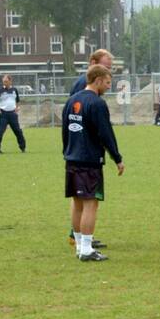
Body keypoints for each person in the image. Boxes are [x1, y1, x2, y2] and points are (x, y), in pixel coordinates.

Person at [63, 63, 125, 261]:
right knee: (91, 204)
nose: (109, 87)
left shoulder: (71, 101)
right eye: (107, 83)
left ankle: (80, 246)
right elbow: (105, 134)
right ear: (97, 80)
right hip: (90, 161)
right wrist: (117, 158)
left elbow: (65, 131)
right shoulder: (97, 104)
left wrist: (67, 151)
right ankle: (87, 250)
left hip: (71, 159)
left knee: (77, 202)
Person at [0, 74, 27, 153]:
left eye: (6, 81)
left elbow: (17, 100)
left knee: (18, 131)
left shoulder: (14, 90)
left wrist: (17, 107)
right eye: (3, 81)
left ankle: (23, 147)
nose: (5, 83)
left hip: (12, 114)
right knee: (0, 131)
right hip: (3, 114)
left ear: (10, 81)